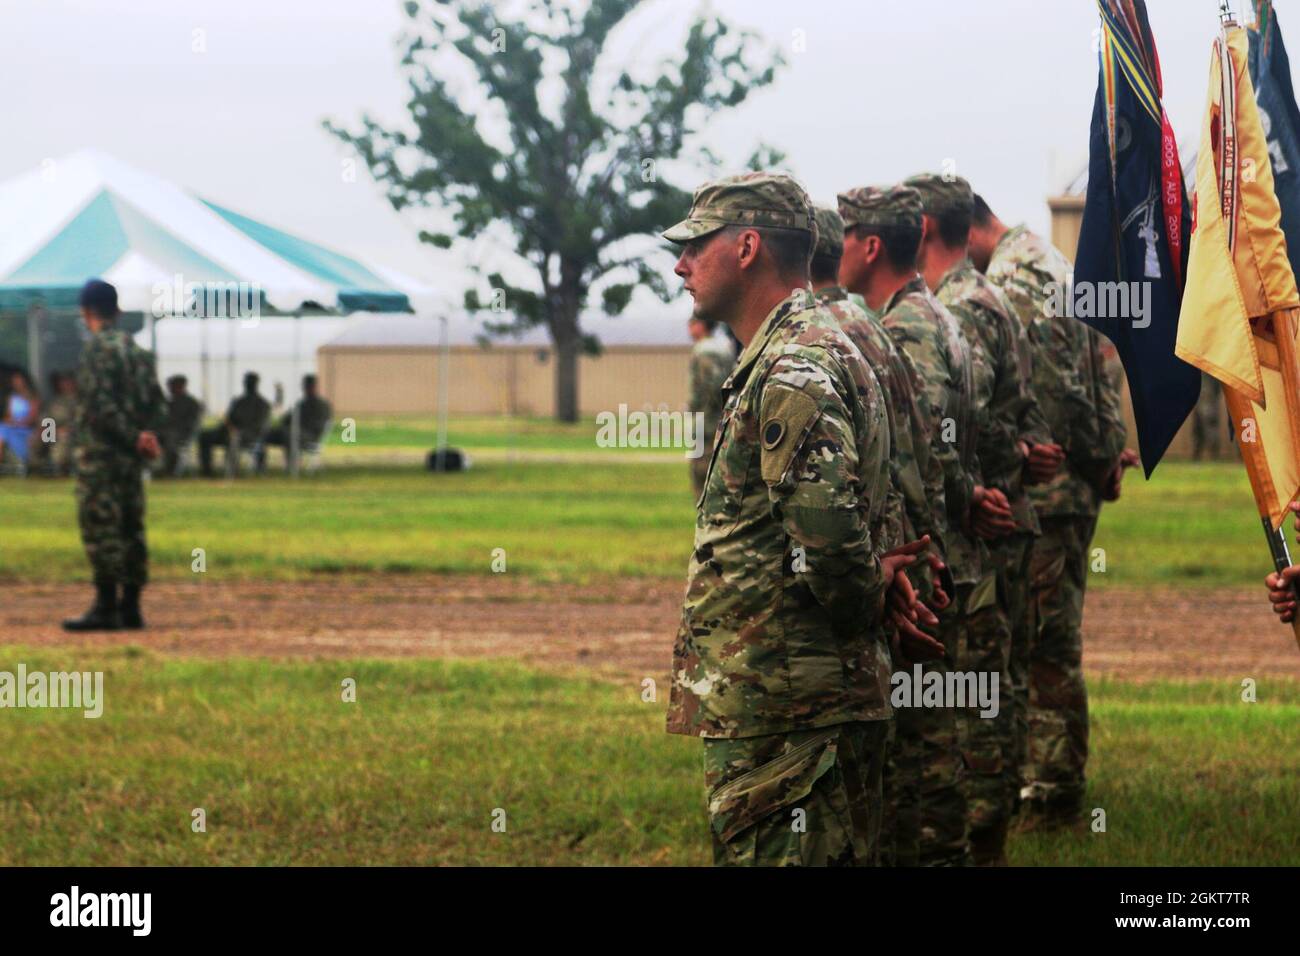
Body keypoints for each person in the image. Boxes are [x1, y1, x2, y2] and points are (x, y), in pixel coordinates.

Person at [663, 171, 936, 867]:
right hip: (794, 701)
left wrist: (870, 587)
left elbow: (831, 542)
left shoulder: (792, 367)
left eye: (697, 244)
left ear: (747, 247)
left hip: (792, 707)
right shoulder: (811, 346)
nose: (680, 264)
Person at [969, 192, 1132, 833]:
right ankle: (1037, 782)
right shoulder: (1056, 264)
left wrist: (1090, 458)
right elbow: (1100, 364)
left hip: (1050, 487)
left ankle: (1053, 793)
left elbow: (1057, 390)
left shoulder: (1016, 277)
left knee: (1040, 643)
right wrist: (1107, 451)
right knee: (1042, 638)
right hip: (1073, 478)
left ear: (975, 231)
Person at [838, 183, 982, 866]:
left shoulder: (908, 326)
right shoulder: (929, 312)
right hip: (935, 549)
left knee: (918, 750)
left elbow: (923, 448)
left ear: (870, 246)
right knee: (930, 733)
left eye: (842, 236)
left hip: (919, 557)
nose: (833, 250)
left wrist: (915, 564)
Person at [63, 279, 165, 631]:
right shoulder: (138, 353)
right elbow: (157, 403)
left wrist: (133, 436)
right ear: (117, 311)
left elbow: (100, 407)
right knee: (131, 527)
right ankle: (132, 607)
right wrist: (148, 436)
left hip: (102, 458)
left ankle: (106, 607)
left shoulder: (96, 351)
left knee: (101, 528)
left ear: (85, 312)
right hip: (131, 462)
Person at [685, 317, 734, 497]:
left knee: (704, 480)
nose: (689, 329)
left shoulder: (706, 350)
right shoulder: (723, 347)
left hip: (708, 426)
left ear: (701, 326)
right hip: (716, 424)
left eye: (691, 324)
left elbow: (712, 386)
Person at [198, 371, 270, 476]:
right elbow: (229, 418)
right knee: (204, 436)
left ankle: (232, 472)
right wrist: (228, 426)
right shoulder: (237, 401)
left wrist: (239, 431)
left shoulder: (262, 403)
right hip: (228, 431)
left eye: (250, 382)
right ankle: (207, 472)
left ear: (256, 383)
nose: (248, 384)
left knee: (234, 438)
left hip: (249, 435)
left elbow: (260, 425)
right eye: (246, 382)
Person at [255, 374, 332, 473]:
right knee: (265, 433)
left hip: (310, 435)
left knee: (290, 435)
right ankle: (260, 468)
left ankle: (292, 468)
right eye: (305, 386)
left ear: (314, 386)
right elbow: (287, 419)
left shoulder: (322, 405)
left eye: (308, 385)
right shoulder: (301, 404)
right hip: (292, 431)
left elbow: (319, 426)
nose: (306, 388)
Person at [27, 371, 77, 475]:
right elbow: (46, 418)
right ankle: (36, 469)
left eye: (67, 381)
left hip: (70, 434)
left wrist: (66, 429)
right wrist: (41, 430)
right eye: (62, 382)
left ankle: (59, 469)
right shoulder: (55, 401)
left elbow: (79, 421)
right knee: (36, 439)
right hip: (51, 431)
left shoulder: (79, 401)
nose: (65, 384)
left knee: (62, 438)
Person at [159, 375, 204, 476]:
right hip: (165, 433)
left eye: (173, 386)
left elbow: (192, 423)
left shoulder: (192, 403)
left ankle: (170, 472)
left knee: (170, 437)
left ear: (181, 386)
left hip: (183, 434)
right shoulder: (168, 403)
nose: (170, 389)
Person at [0, 368, 41, 468]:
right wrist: (10, 422)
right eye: (14, 381)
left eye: (19, 380)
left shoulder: (33, 397)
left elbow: (32, 418)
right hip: (11, 428)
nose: (17, 383)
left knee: (2, 430)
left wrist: (17, 423)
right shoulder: (12, 398)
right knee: (2, 429)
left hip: (25, 429)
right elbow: (8, 416)